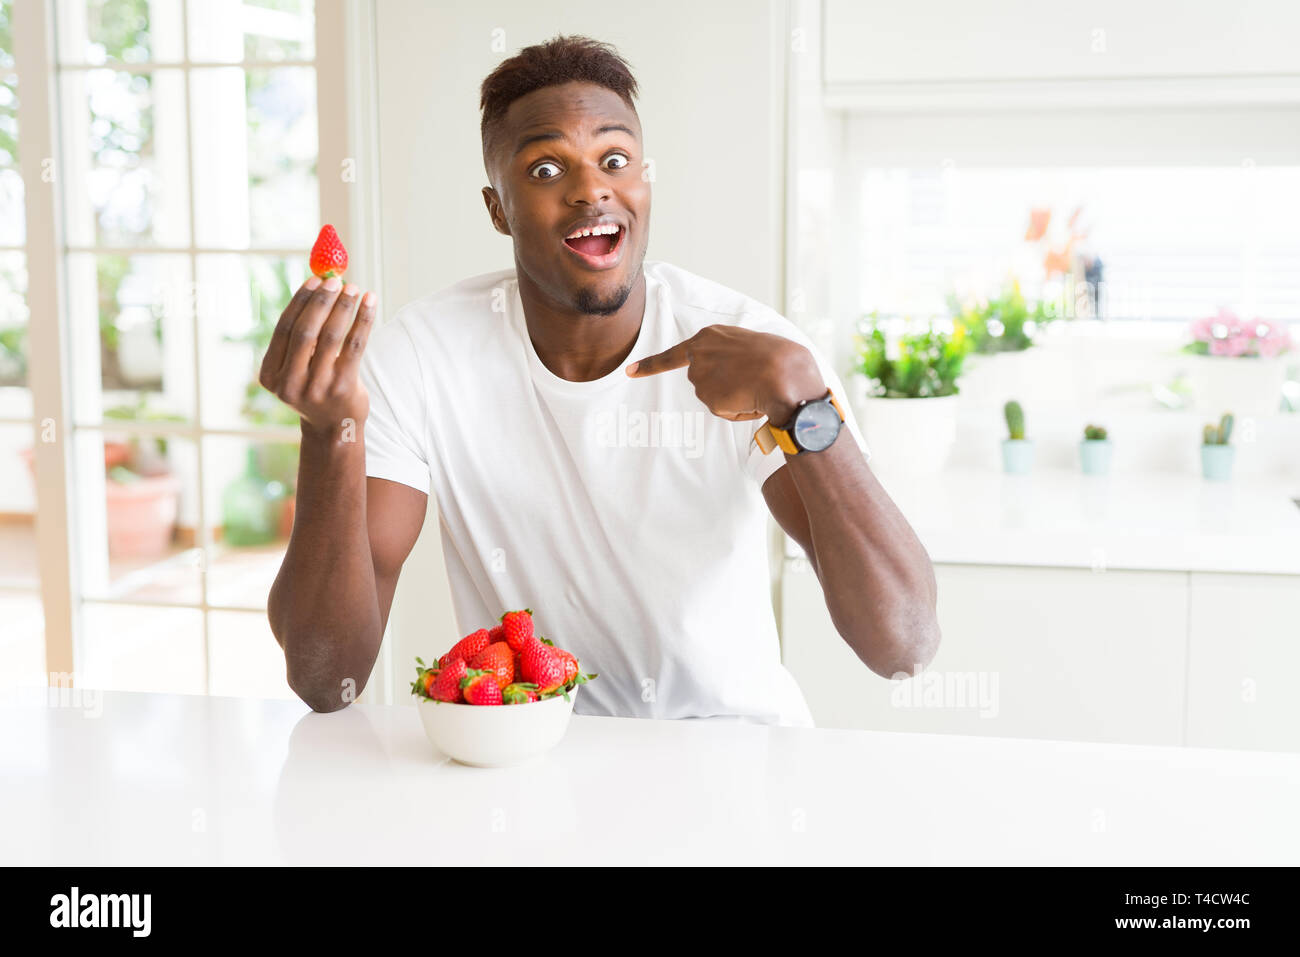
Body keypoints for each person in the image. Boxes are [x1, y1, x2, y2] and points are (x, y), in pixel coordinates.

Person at [261, 35, 939, 725]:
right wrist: (326, 434)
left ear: (644, 179)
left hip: (735, 759)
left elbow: (903, 645)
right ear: (498, 210)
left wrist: (804, 402)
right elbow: (328, 677)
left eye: (614, 159)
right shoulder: (423, 355)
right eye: (548, 168)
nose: (591, 188)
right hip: (535, 765)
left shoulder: (759, 356)